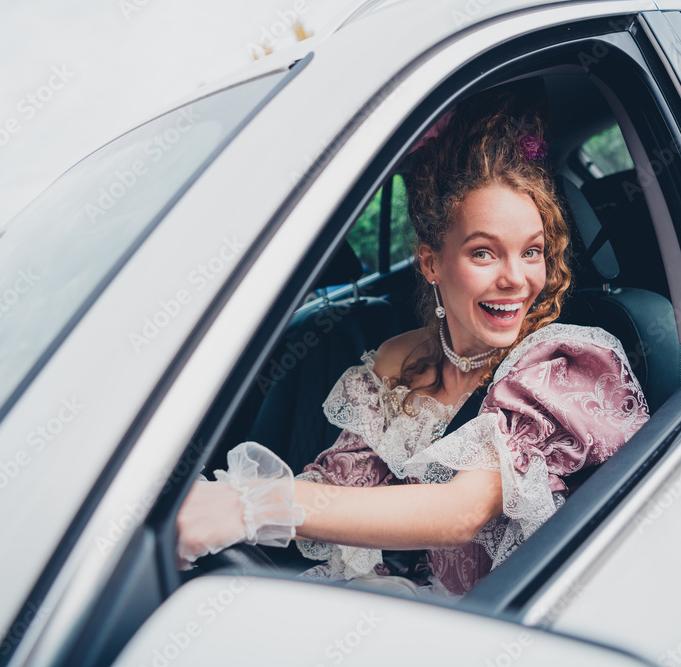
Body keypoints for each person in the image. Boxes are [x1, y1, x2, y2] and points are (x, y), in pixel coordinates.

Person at [175, 79, 650, 600]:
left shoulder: (559, 367)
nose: (517, 279)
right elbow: (342, 488)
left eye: (532, 251)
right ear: (431, 261)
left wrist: (255, 505)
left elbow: (462, 512)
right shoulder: (398, 362)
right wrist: (213, 498)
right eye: (484, 253)